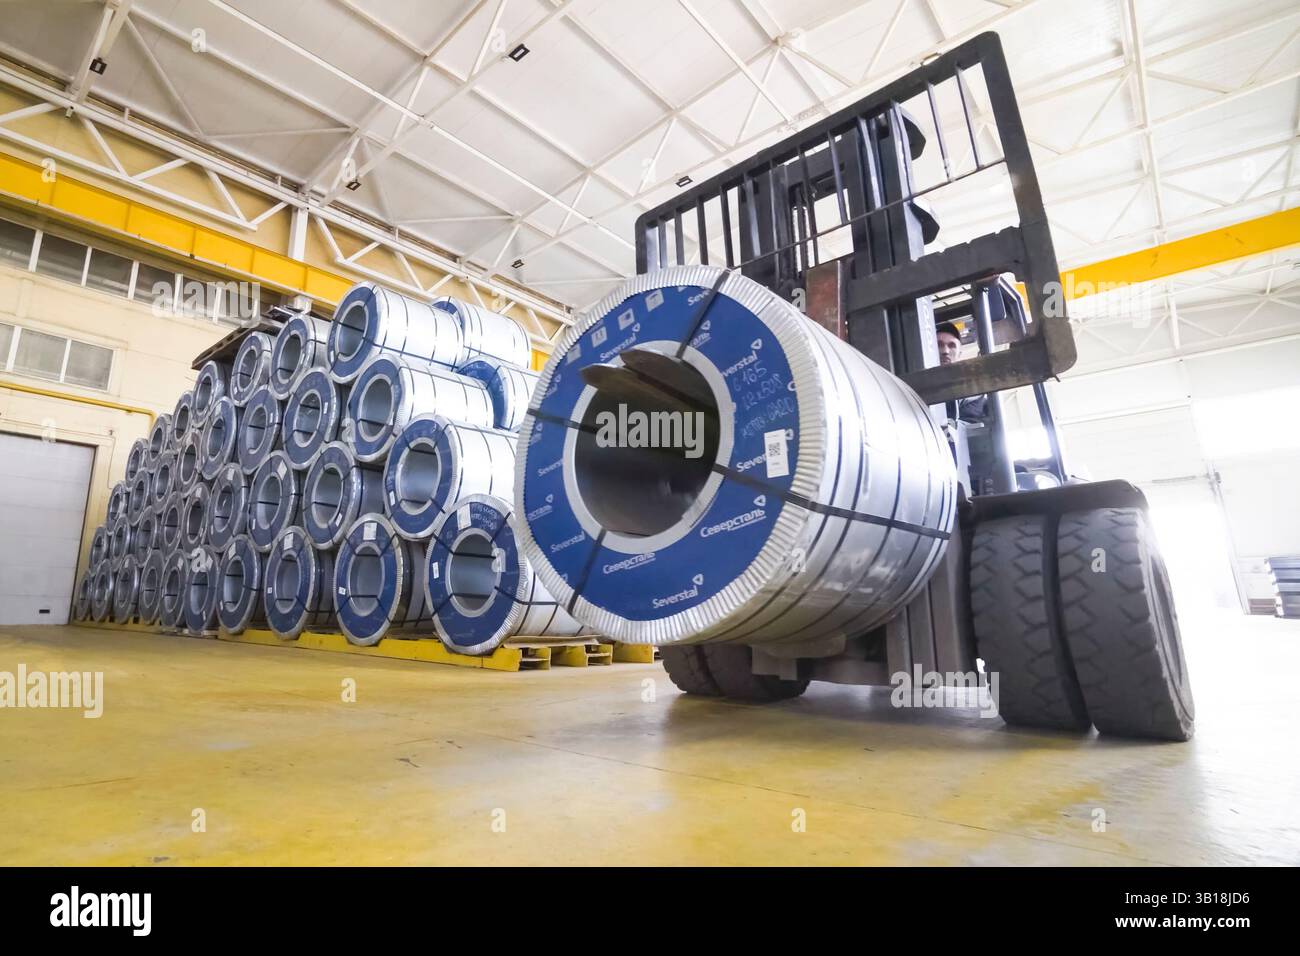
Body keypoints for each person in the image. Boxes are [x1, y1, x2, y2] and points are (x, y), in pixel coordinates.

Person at [935, 321, 988, 423]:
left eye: (952, 346)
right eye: (939, 345)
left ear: (959, 354)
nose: (945, 351)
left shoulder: (974, 392)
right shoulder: (919, 385)